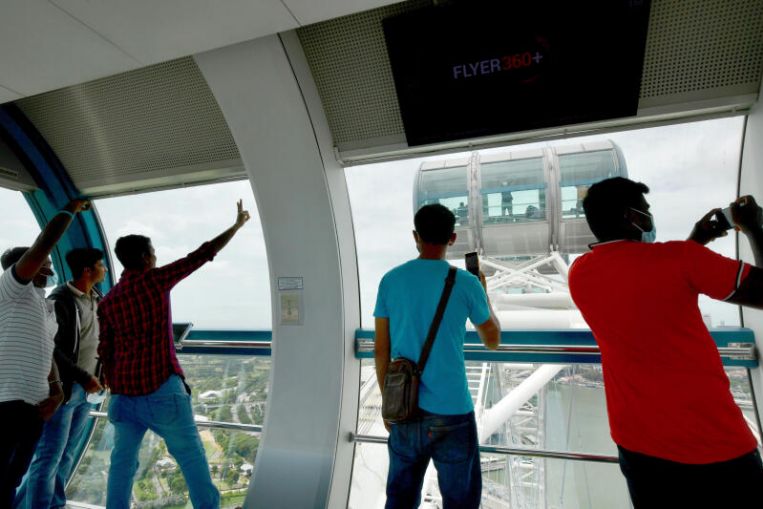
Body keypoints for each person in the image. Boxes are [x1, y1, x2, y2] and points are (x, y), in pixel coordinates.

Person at [568, 177, 763, 508]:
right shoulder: (682, 259)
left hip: (637, 445)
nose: (650, 217)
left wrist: (695, 241)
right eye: (645, 210)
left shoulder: (580, 272)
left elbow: (652, 282)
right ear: (631, 218)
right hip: (714, 444)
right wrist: (754, 227)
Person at [98, 200, 250, 509]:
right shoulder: (154, 282)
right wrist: (235, 226)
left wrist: (116, 387)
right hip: (161, 392)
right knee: (192, 460)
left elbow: (105, 350)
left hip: (124, 398)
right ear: (144, 258)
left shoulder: (109, 300)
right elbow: (200, 255)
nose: (155, 257)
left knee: (122, 465)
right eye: (153, 252)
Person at [374, 203, 501, 509]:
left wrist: (389, 403)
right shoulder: (467, 283)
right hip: (453, 411)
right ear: (453, 238)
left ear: (415, 236)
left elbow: (381, 349)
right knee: (460, 502)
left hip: (404, 408)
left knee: (400, 499)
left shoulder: (390, 280)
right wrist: (484, 294)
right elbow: (493, 340)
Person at [0, 199, 89, 509]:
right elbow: (43, 243)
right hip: (8, 403)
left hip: (36, 406)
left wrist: (57, 390)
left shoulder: (44, 304)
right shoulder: (11, 288)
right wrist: (69, 211)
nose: (50, 270)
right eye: (45, 264)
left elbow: (47, 349)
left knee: (13, 477)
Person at [16, 248, 107, 509]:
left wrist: (100, 374)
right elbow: (51, 349)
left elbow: (95, 341)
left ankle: (51, 504)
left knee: (65, 455)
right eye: (101, 264)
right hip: (65, 390)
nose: (105, 269)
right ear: (87, 270)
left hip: (86, 390)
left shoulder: (95, 298)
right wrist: (82, 376)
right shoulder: (61, 301)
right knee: (49, 455)